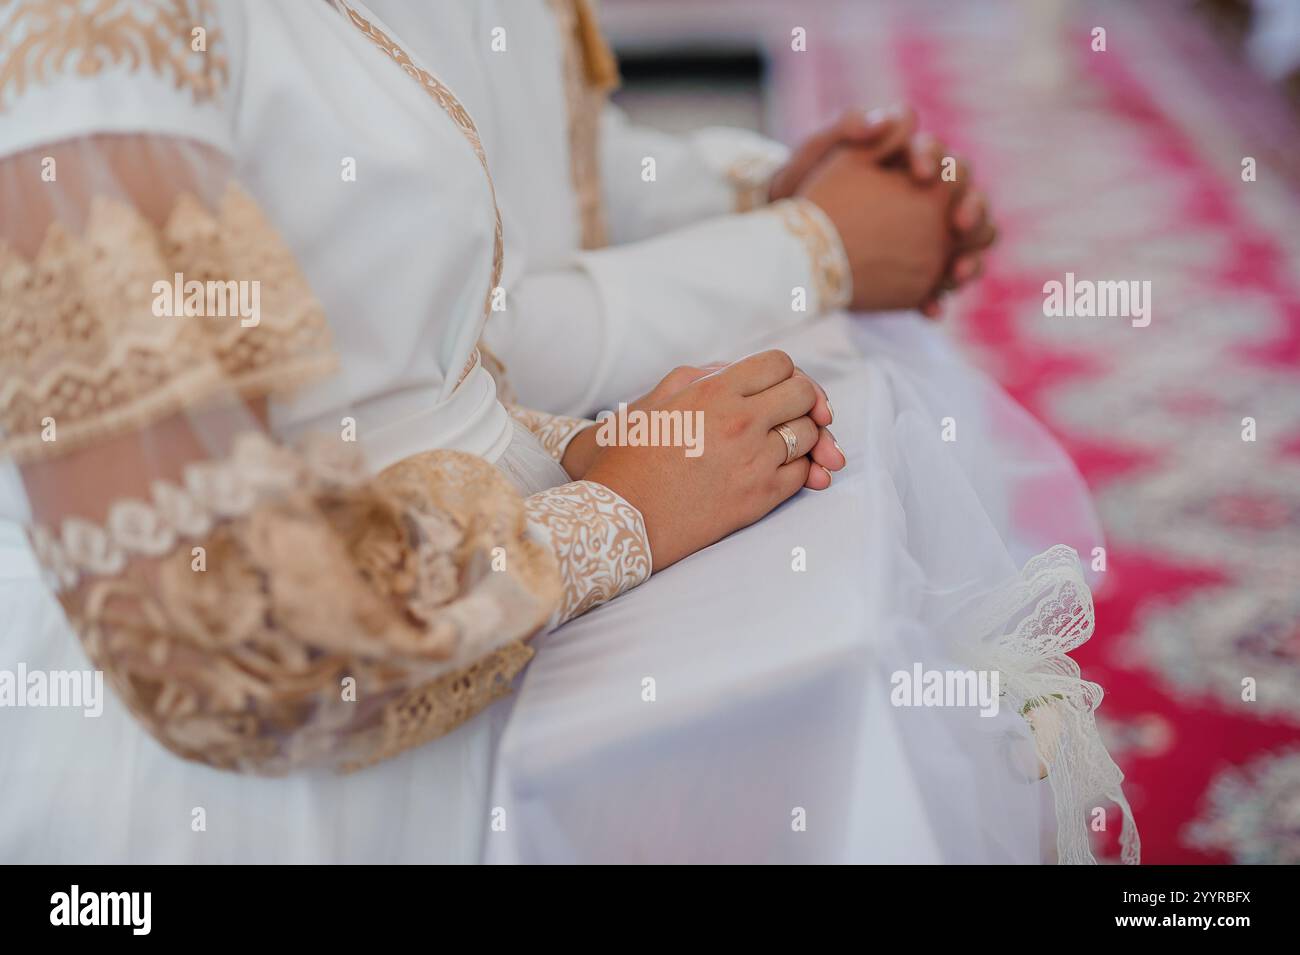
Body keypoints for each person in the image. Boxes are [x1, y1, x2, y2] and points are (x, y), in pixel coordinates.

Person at [0, 0, 1135, 863]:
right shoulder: (92, 37)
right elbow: (206, 630)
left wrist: (581, 441)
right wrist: (611, 513)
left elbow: (420, 324)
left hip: (475, 618)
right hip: (296, 777)